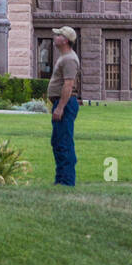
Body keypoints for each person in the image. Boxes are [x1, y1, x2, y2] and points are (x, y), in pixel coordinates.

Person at [49, 26, 81, 186]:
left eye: (58, 35)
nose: (55, 36)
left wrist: (60, 108)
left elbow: (68, 85)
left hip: (66, 105)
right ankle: (61, 179)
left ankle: (67, 181)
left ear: (65, 40)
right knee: (58, 141)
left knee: (64, 142)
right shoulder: (65, 57)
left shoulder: (69, 59)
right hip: (62, 104)